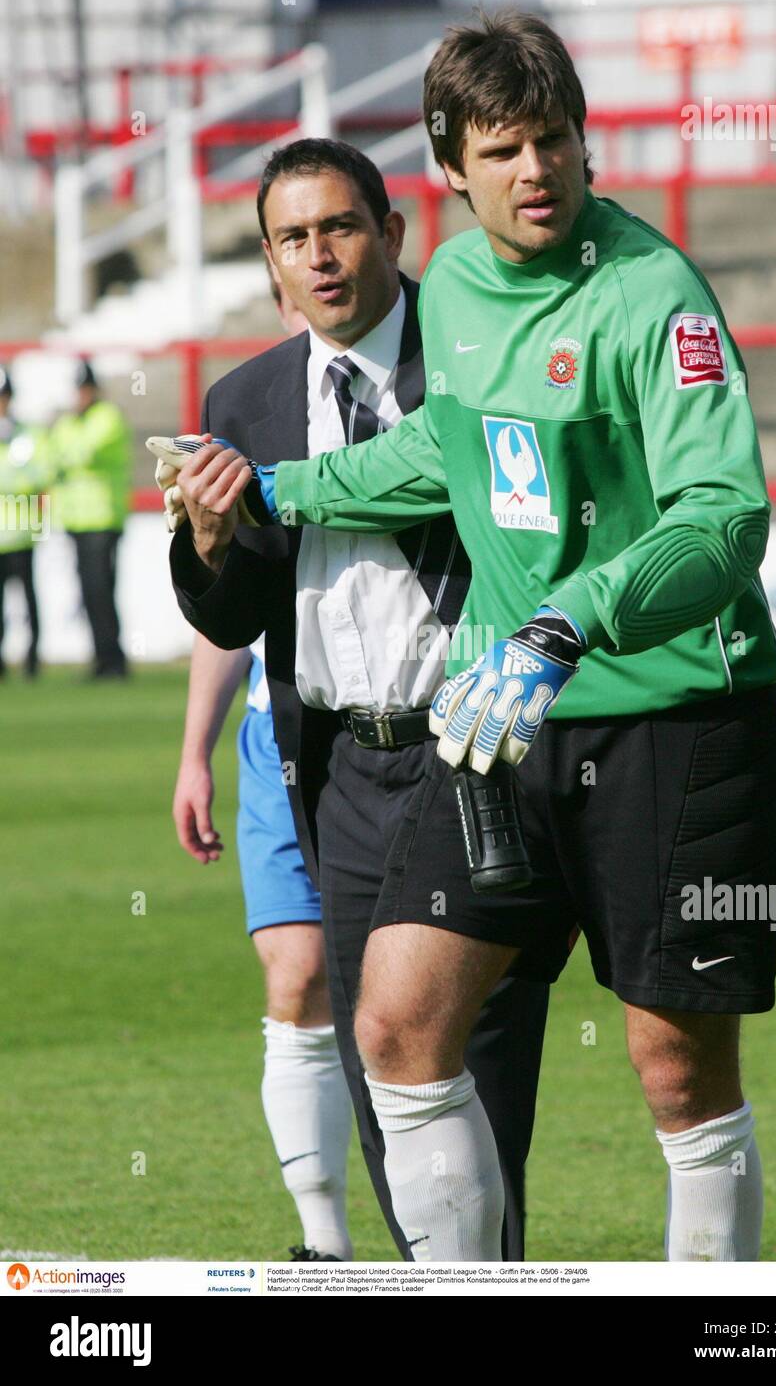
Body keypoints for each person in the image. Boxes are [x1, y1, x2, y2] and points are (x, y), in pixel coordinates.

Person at [183, 11, 776, 1262]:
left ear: (585, 145)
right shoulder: (461, 289)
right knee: (397, 1022)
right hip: (509, 720)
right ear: (450, 170)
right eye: (508, 149)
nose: (539, 171)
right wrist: (274, 488)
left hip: (678, 720)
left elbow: (725, 519)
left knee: (674, 1072)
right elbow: (446, 449)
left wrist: (565, 620)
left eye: (558, 141)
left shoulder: (656, 294)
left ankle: (724, 1327)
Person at [168, 138, 550, 1260]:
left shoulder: (481, 355)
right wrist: (206, 535)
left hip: (474, 750)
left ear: (392, 232)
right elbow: (228, 612)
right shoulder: (243, 399)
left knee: (474, 1055)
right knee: (377, 1066)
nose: (320, 255)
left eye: (340, 226)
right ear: (273, 267)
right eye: (294, 238)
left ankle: (496, 1272)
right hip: (332, 769)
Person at [172, 280, 352, 1262]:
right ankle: (323, 1247)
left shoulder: (415, 395)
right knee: (297, 971)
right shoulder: (247, 410)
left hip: (395, 730)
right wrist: (194, 751)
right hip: (270, 737)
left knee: (419, 1005)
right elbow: (225, 611)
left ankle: (463, 1249)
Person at [50, 359, 131, 678]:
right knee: (89, 593)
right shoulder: (72, 423)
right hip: (77, 521)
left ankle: (113, 659)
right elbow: (54, 455)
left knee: (101, 591)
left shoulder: (108, 417)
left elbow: (78, 453)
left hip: (102, 519)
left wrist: (64, 454)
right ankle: (102, 657)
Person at [0, 365, 50, 677]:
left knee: (29, 600)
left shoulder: (28, 435)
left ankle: (32, 660)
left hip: (22, 534)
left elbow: (41, 474)